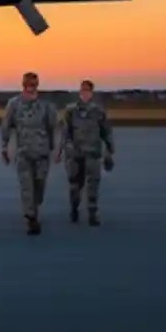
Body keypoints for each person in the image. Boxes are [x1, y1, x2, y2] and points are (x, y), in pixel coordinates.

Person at [1, 71, 59, 235]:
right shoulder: (14, 104)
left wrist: (54, 150)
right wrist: (4, 147)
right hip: (23, 153)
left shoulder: (46, 106)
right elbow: (6, 126)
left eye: (33, 84)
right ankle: (31, 218)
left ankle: (34, 207)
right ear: (23, 85)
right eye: (28, 84)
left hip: (42, 153)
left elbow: (52, 128)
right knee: (27, 188)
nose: (31, 87)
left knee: (39, 187)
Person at [58, 79, 116, 226]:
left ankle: (92, 213)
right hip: (75, 154)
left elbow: (106, 132)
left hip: (93, 153)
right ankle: (74, 209)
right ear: (80, 92)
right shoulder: (71, 111)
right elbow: (65, 132)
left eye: (87, 91)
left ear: (91, 93)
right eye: (82, 90)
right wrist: (61, 150)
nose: (84, 93)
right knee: (75, 186)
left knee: (93, 185)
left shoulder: (98, 112)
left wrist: (110, 149)